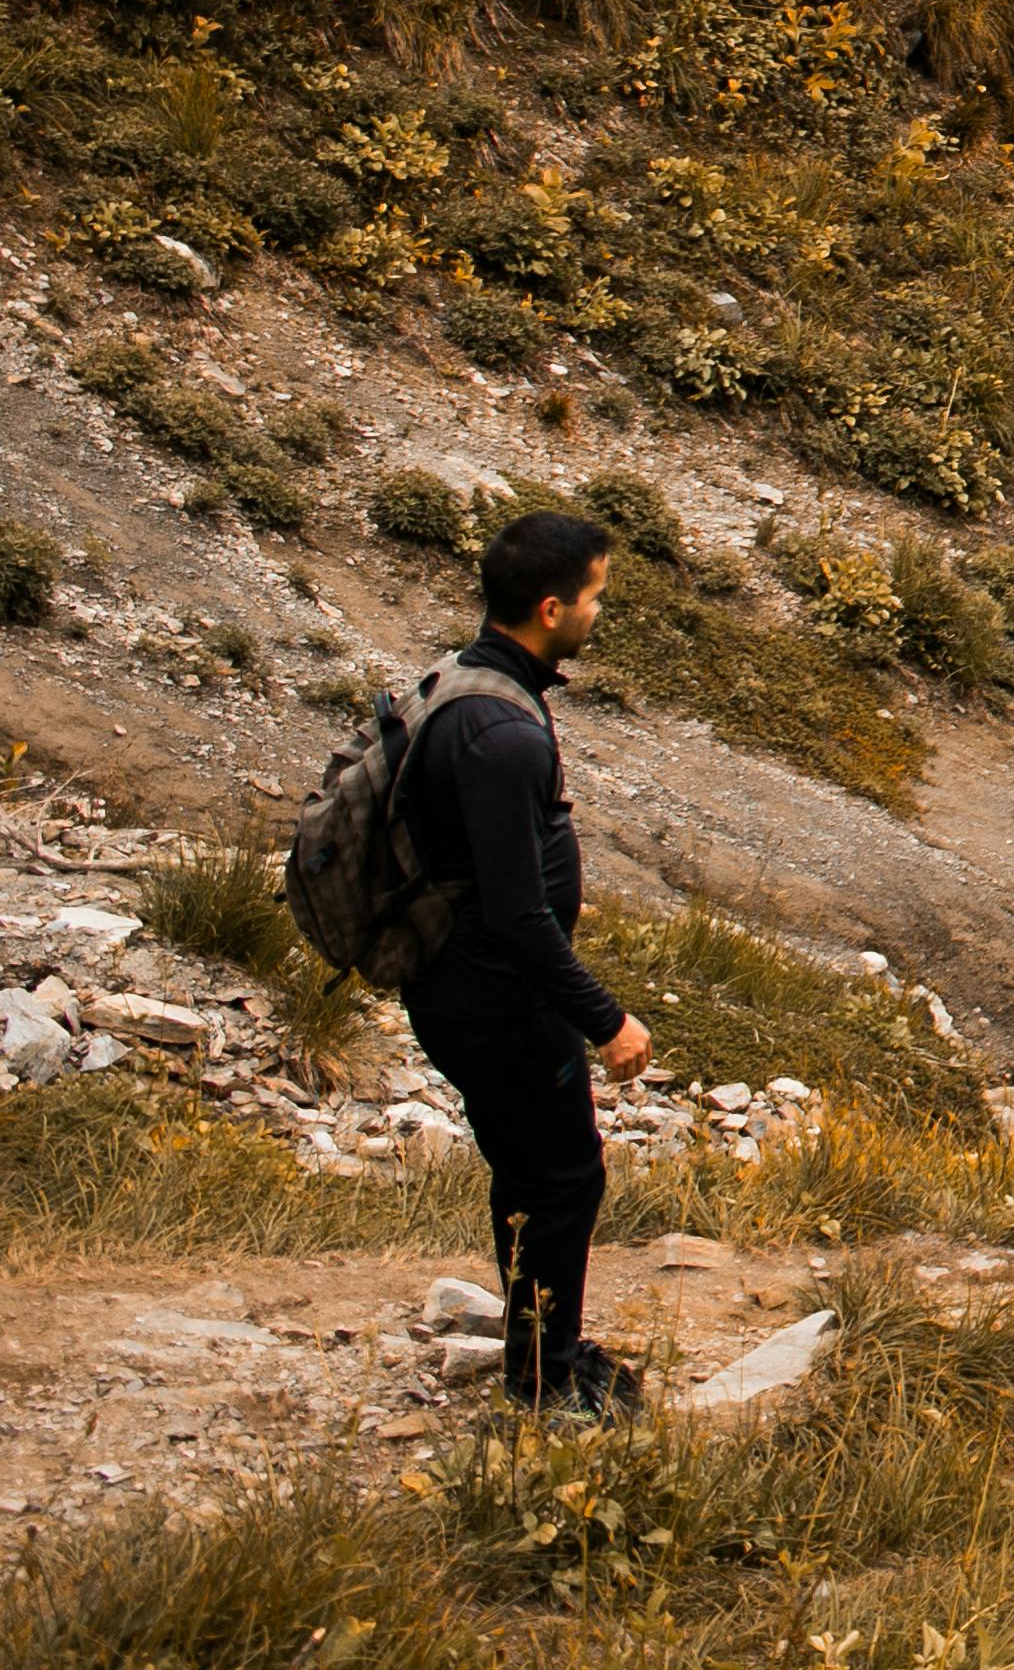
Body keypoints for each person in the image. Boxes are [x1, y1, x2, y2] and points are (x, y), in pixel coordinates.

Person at [407, 508, 656, 1411]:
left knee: (530, 1174)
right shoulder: (502, 735)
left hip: (463, 983)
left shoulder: (468, 681)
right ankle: (546, 1380)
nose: (600, 612)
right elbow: (518, 916)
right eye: (595, 596)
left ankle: (541, 1354)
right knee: (564, 1179)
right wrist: (607, 1022)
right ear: (551, 609)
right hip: (496, 1000)